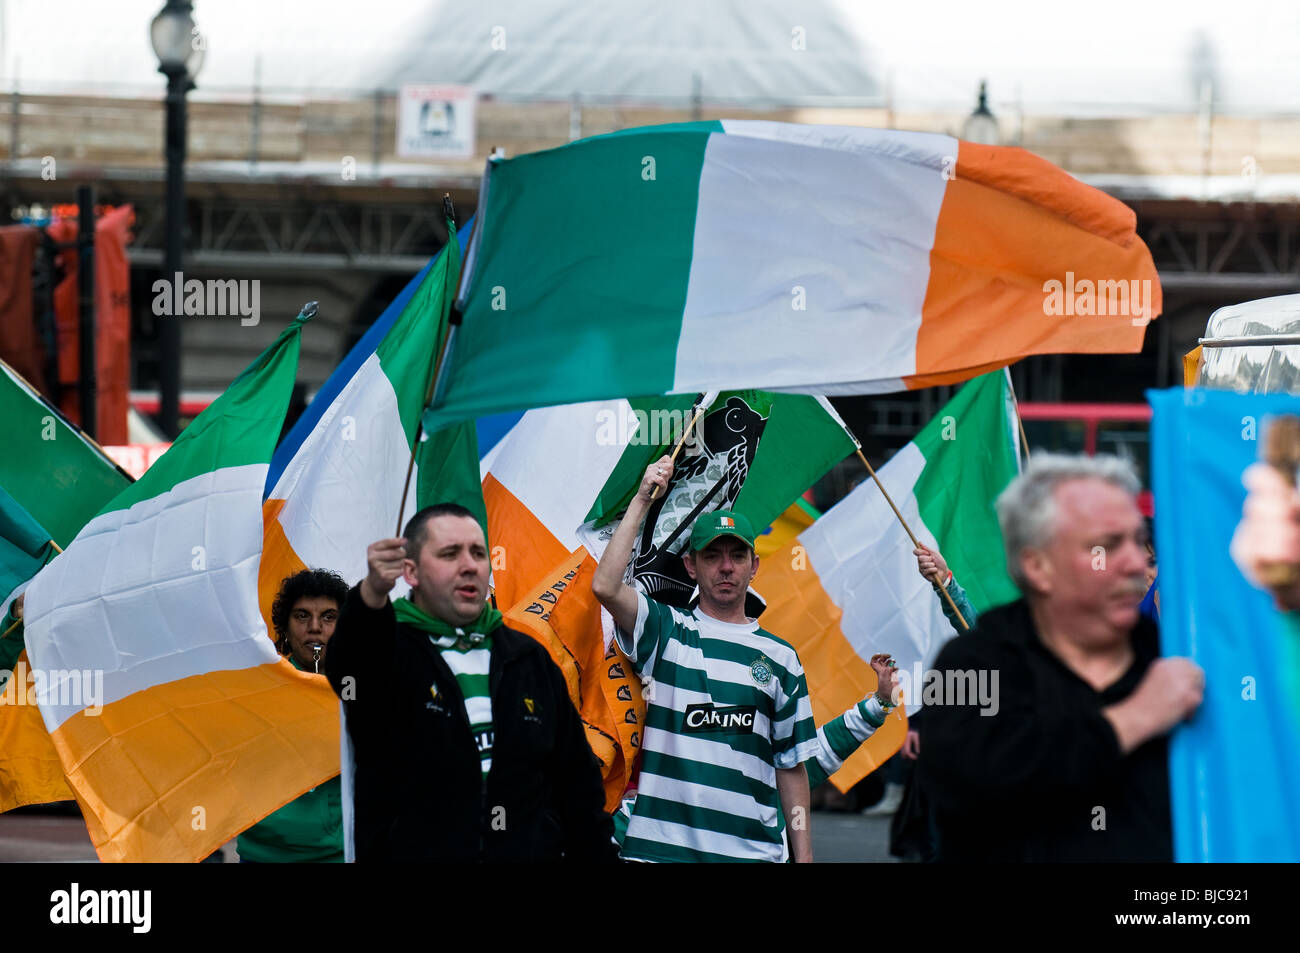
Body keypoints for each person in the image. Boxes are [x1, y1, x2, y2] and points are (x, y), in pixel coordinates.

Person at [918, 453, 1204, 862]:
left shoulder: (1167, 656)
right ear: (1038, 566)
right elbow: (972, 785)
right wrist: (1135, 718)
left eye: (1138, 543)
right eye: (1108, 545)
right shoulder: (968, 667)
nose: (1135, 563)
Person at [324, 502, 615, 862]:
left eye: (478, 553)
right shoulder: (388, 651)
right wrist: (371, 594)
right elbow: (348, 670)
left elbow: (578, 786)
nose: (469, 565)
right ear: (410, 571)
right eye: (450, 554)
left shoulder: (528, 658)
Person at [592, 456, 822, 862]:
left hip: (751, 855)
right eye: (713, 556)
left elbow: (791, 768)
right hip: (659, 853)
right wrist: (643, 499)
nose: (727, 567)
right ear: (690, 566)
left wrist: (803, 858)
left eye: (738, 555)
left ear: (755, 566)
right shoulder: (666, 630)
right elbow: (607, 586)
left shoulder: (782, 659)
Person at [236, 569, 349, 863]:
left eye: (328, 617)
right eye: (302, 616)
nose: (315, 627)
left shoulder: (364, 691)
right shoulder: (255, 691)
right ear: (284, 627)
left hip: (337, 856)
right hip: (261, 855)